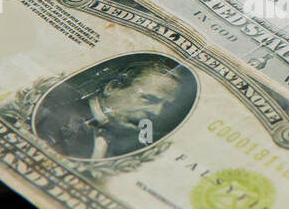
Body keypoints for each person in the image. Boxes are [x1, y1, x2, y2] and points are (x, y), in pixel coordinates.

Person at [34, 54, 193, 160]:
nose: (156, 113)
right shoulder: (52, 113)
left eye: (164, 106)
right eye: (148, 99)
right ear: (112, 87)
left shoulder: (132, 143)